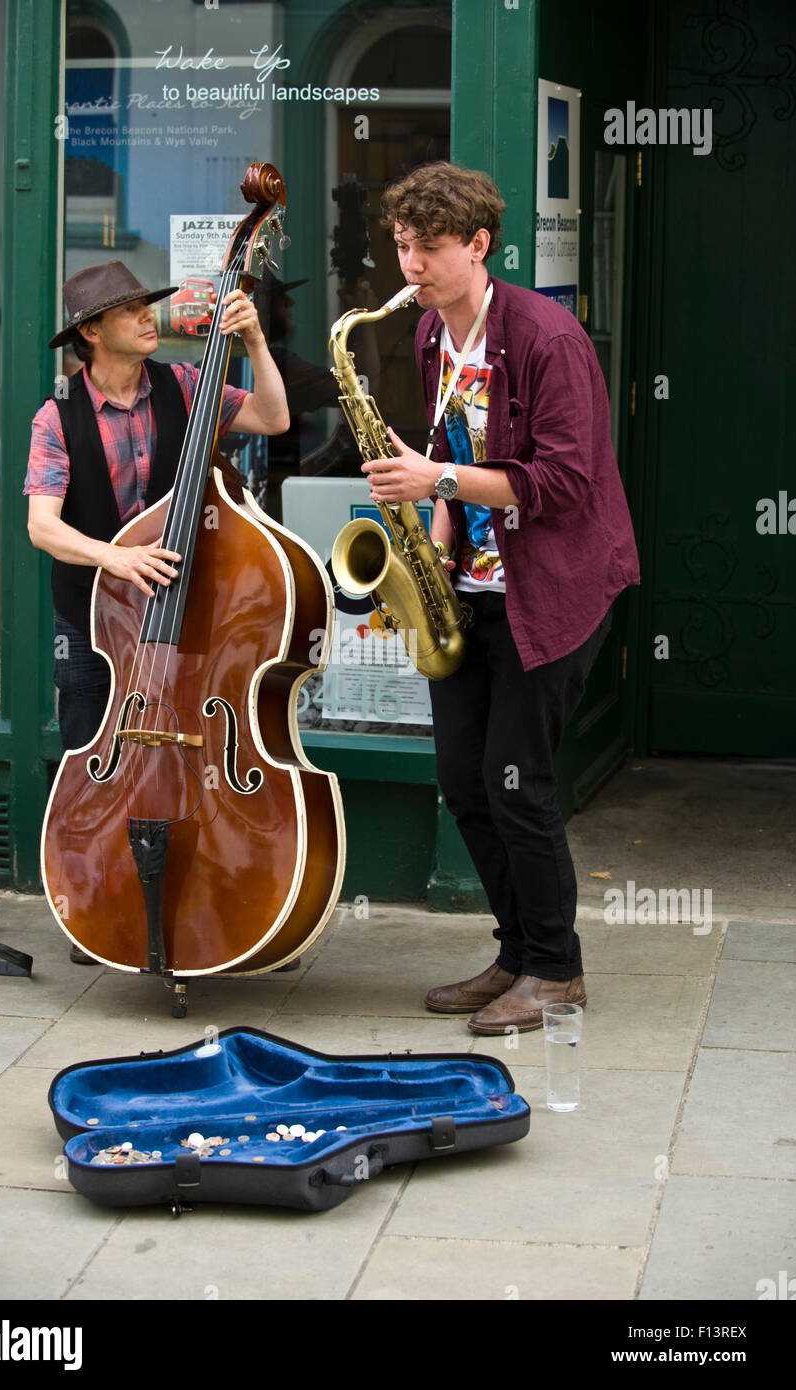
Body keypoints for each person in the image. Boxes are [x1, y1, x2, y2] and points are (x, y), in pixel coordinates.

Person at [366, 162, 640, 1034]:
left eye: (429, 248)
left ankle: (557, 972)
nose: (409, 265)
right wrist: (433, 542)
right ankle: (517, 952)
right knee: (464, 782)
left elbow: (561, 481)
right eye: (401, 245)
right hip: (471, 589)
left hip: (551, 590)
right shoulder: (426, 338)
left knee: (517, 783)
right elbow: (454, 460)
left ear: (478, 245)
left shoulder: (545, 338)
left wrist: (435, 475)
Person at [25, 259, 289, 961]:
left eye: (149, 306)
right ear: (90, 331)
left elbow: (273, 416)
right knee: (93, 757)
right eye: (131, 310)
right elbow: (42, 527)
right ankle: (93, 905)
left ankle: (193, 886)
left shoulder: (185, 384)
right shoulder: (57, 418)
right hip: (92, 618)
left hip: (182, 614)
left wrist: (256, 342)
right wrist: (116, 558)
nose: (151, 318)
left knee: (185, 748)